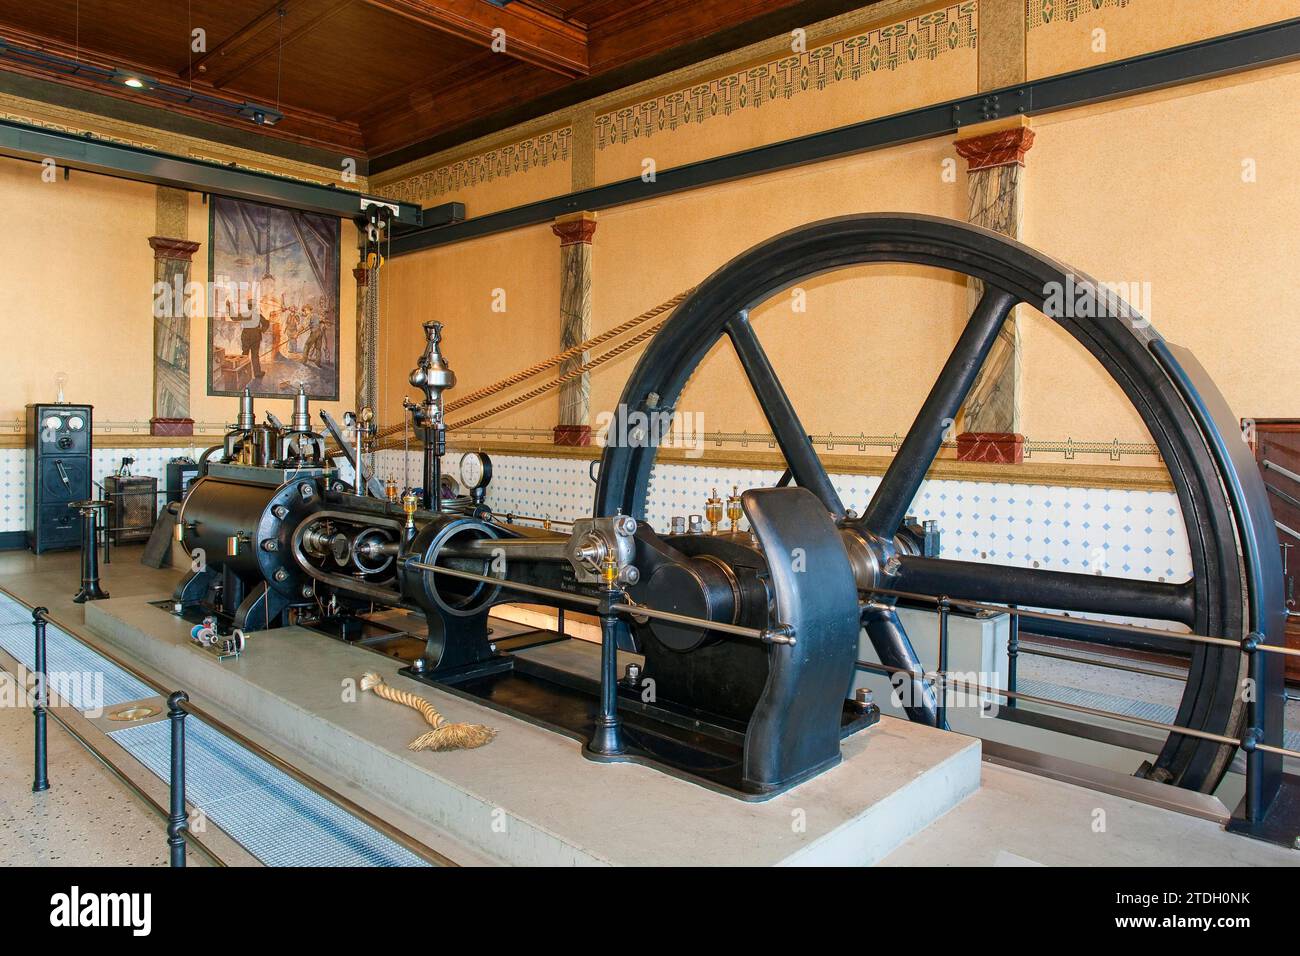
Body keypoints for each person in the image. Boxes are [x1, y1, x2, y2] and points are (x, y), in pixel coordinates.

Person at [237, 298, 267, 381]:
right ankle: (257, 373)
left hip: (246, 336)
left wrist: (229, 307)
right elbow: (266, 323)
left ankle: (243, 374)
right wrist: (262, 330)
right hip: (255, 337)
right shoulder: (257, 315)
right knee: (255, 355)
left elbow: (233, 318)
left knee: (244, 355)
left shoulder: (244, 314)